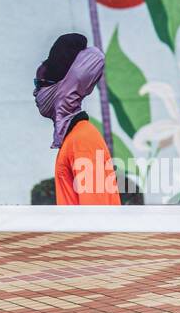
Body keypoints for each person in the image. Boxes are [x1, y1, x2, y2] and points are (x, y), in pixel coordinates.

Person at [33, 33, 120, 206]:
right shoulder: (73, 138)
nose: (36, 92)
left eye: (40, 84)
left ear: (65, 87)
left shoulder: (82, 141)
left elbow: (97, 216)